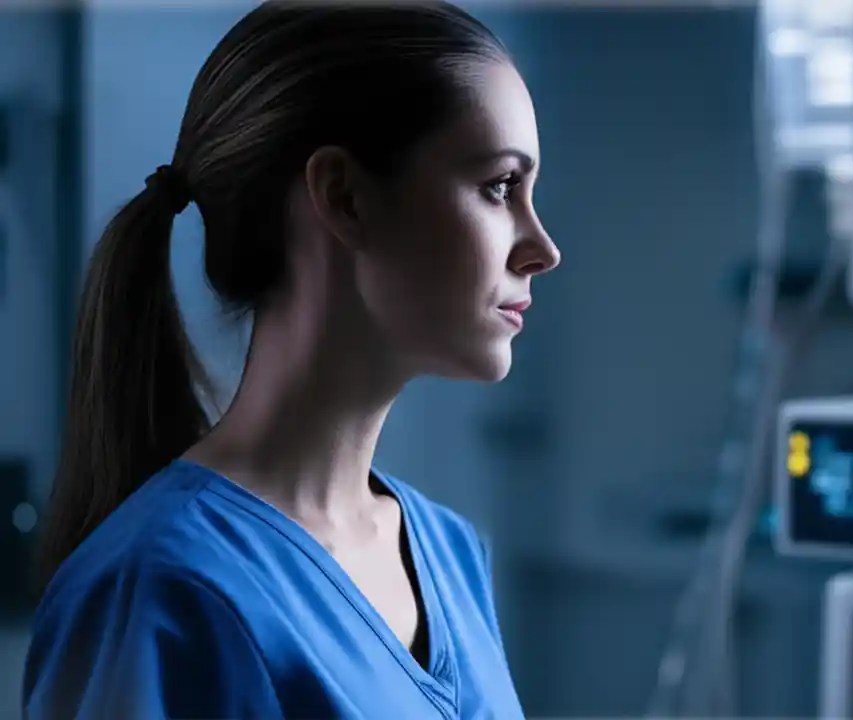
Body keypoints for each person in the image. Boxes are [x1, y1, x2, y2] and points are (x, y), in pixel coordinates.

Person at [23, 2, 559, 717]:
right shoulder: (159, 587)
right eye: (499, 187)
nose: (542, 248)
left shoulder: (451, 554)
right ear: (343, 197)